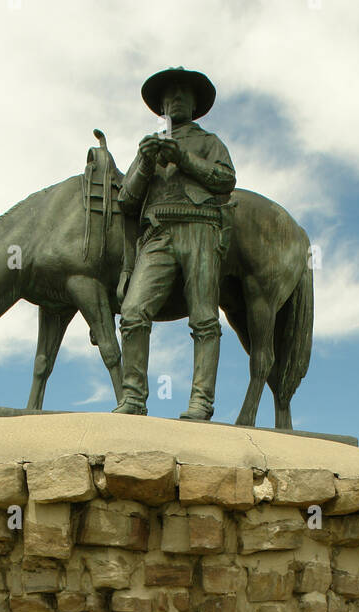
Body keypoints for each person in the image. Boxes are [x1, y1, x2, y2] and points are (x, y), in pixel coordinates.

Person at [113, 66, 236, 421]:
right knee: (134, 311)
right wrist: (145, 163)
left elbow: (226, 180)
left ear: (194, 102)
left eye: (183, 92)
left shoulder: (209, 142)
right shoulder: (148, 148)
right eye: (169, 95)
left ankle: (201, 402)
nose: (175, 98)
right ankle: (133, 398)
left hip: (199, 228)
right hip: (158, 232)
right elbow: (128, 200)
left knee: (204, 318)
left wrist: (183, 158)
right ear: (161, 106)